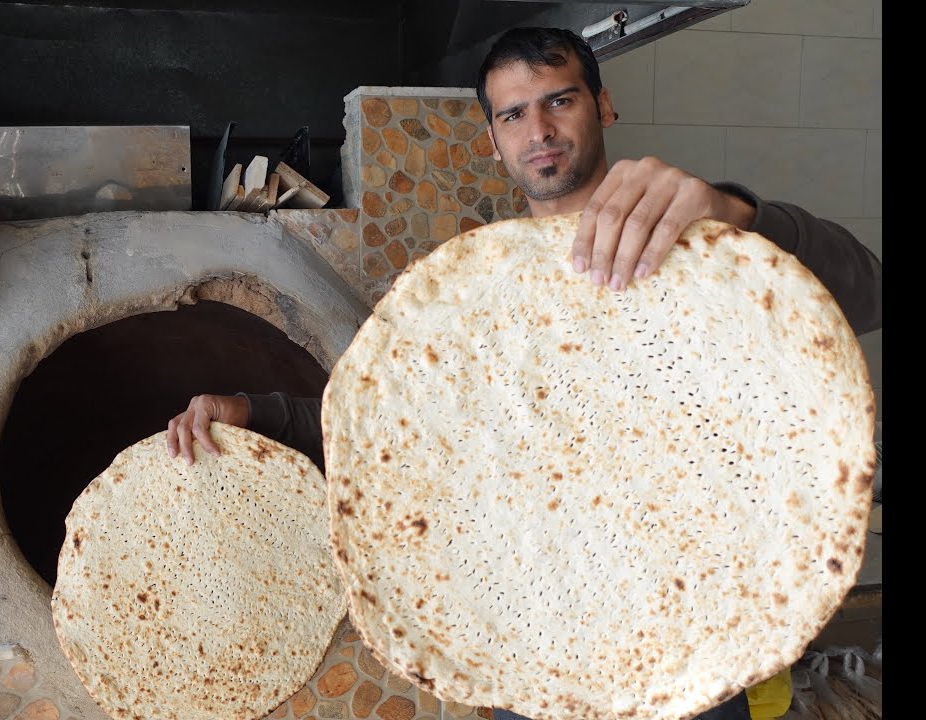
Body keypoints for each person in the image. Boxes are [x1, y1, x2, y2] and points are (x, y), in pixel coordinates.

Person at [164, 26, 883, 720]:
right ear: (494, 139)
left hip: (688, 638)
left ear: (602, 106)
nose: (537, 129)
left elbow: (866, 290)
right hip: (534, 647)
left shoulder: (696, 249)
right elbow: (392, 435)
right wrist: (254, 412)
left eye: (559, 100)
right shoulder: (472, 300)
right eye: (513, 113)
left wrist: (736, 212)